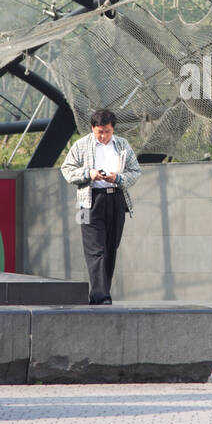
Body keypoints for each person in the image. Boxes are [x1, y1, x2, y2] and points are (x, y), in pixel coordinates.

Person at [60, 109, 142, 305]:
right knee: (95, 249)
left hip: (116, 199)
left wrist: (118, 178)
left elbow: (135, 171)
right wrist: (89, 174)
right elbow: (67, 170)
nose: (103, 136)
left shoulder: (122, 145)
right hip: (88, 203)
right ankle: (101, 295)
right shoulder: (81, 145)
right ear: (92, 129)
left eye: (107, 131)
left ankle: (100, 294)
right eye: (99, 132)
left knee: (110, 248)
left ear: (113, 129)